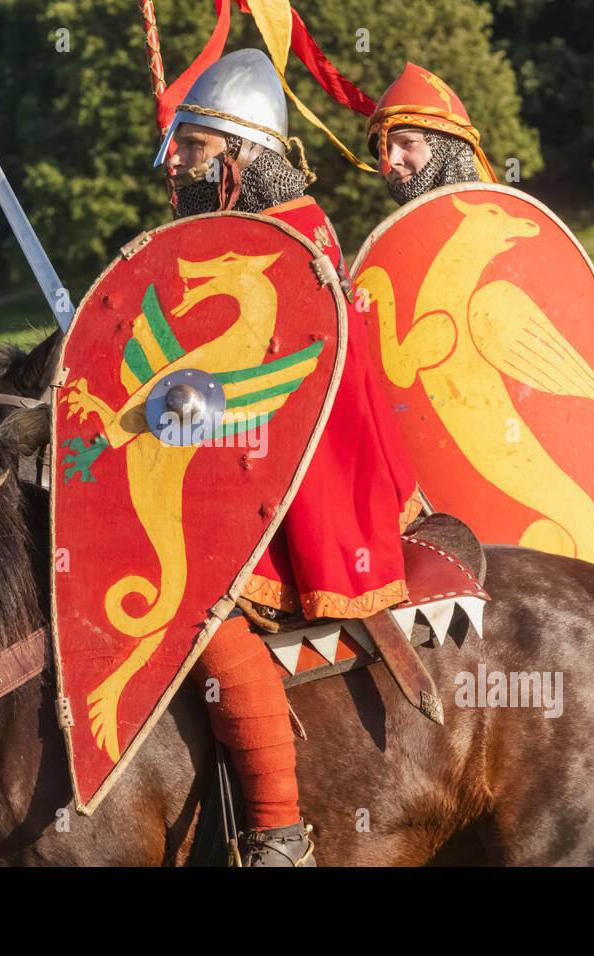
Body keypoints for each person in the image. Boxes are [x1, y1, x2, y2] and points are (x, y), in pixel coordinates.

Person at [158, 49, 419, 866]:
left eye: (196, 149)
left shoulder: (288, 244)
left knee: (200, 611)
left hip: (292, 490)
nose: (179, 166)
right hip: (234, 473)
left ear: (239, 159)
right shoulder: (244, 237)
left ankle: (277, 833)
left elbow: (272, 401)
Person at [364, 61, 497, 208]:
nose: (390, 161)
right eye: (384, 149)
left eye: (407, 143)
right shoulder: (406, 230)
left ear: (448, 148)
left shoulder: (495, 226)